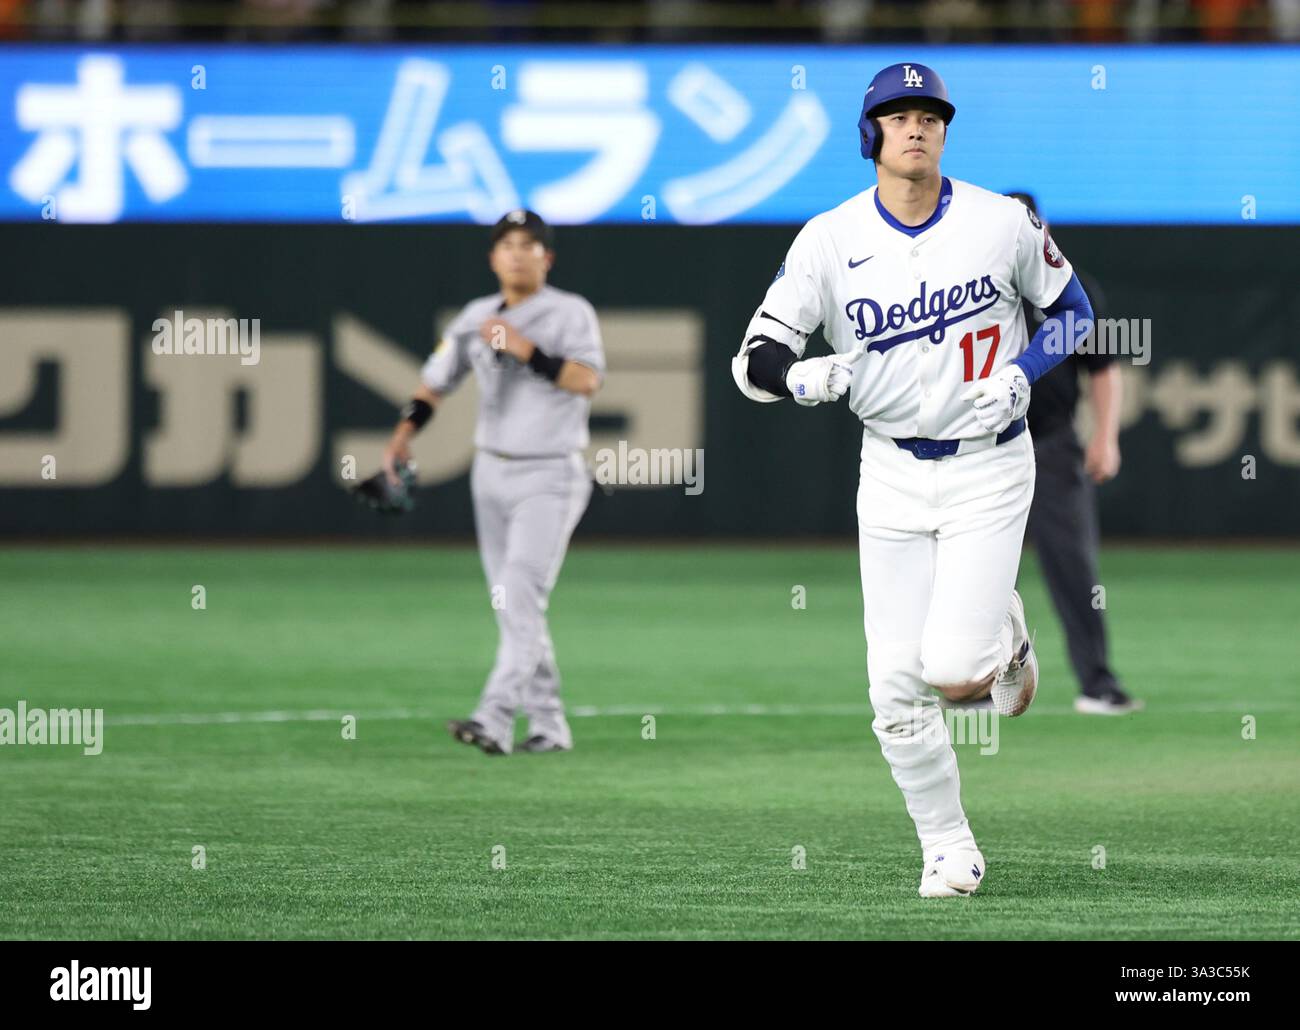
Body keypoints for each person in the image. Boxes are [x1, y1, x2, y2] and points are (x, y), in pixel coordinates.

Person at [732, 63, 1094, 897]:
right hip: (890, 469)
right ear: (872, 135)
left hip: (990, 462)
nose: (917, 126)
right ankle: (947, 844)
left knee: (955, 674)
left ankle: (998, 635)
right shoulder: (829, 238)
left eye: (930, 113)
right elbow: (754, 361)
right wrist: (797, 379)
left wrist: (1027, 371)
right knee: (893, 687)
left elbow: (1076, 313)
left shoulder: (1002, 221)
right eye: (898, 115)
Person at [383, 209, 605, 756]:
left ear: (546, 258)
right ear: (492, 257)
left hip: (549, 472)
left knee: (520, 599)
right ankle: (550, 727)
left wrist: (526, 350)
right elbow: (435, 383)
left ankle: (493, 716)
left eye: (529, 244)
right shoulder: (475, 317)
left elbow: (587, 379)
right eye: (506, 243)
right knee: (512, 601)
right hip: (490, 470)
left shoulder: (569, 312)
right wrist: (402, 434)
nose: (517, 252)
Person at [1008, 192, 1142, 716]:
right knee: (978, 572)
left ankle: (1097, 683)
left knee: (1074, 569)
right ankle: (973, 685)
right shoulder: (966, 289)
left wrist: (1105, 436)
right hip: (981, 448)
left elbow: (1103, 368)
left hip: (1050, 446)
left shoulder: (1066, 284)